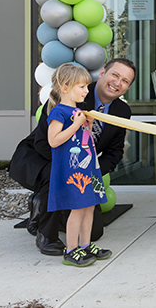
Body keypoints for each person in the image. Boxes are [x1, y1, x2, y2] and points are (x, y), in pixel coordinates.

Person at [10, 58, 136, 256]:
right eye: (115, 75)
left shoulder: (122, 111)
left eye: (126, 81)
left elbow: (114, 153)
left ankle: (44, 208)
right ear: (102, 73)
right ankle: (46, 234)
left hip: (81, 165)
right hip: (41, 157)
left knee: (94, 231)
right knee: (54, 176)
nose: (118, 83)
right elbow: (44, 142)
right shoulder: (73, 93)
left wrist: (90, 172)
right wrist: (71, 169)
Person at [45, 64, 112, 267]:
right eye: (81, 87)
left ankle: (85, 244)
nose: (86, 91)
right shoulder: (59, 112)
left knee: (90, 206)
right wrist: (75, 124)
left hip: (88, 168)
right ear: (65, 88)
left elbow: (84, 140)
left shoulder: (78, 111)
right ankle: (71, 249)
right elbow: (53, 140)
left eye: (86, 87)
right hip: (72, 171)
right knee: (78, 209)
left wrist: (88, 125)